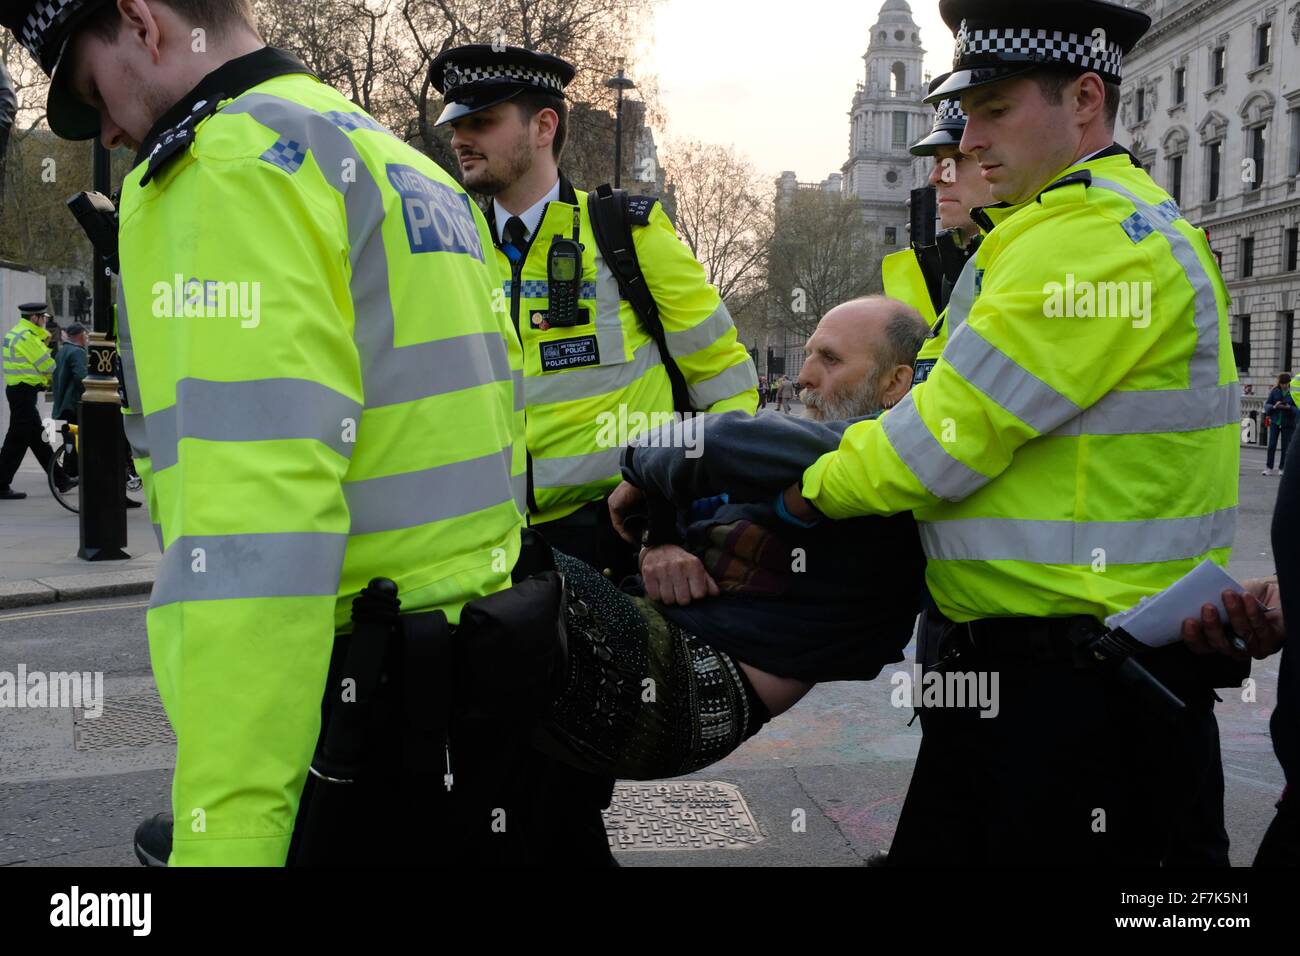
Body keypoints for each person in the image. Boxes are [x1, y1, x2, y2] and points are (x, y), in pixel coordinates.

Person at [1, 0, 526, 866]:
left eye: (92, 89)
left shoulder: (225, 166)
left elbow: (255, 538)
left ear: (141, 20)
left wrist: (230, 840)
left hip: (343, 708)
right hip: (471, 688)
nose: (109, 129)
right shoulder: (395, 160)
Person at [782, 0, 1243, 866]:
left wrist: (789, 484)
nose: (970, 136)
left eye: (995, 109)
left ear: (1084, 100)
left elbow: (936, 445)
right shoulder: (1072, 224)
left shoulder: (1086, 241)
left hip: (1072, 698)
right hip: (1057, 676)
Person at [431, 42, 759, 864]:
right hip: (473, 553)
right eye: (454, 125)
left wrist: (672, 523)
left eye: (480, 122)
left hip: (595, 550)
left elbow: (730, 400)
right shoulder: (441, 242)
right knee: (480, 781)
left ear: (543, 126)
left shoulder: (629, 236)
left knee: (556, 789)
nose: (459, 139)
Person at [562, 295, 928, 779]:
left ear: (895, 382)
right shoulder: (833, 466)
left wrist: (638, 465)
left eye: (831, 359)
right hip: (670, 665)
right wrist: (661, 537)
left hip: (681, 683)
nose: (804, 377)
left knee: (506, 581)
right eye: (810, 355)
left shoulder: (873, 456)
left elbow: (706, 443)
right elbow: (706, 488)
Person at [884, 75, 995, 387]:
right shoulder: (945, 267)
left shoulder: (1027, 261)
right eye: (937, 162)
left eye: (957, 158)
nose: (936, 177)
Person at [1, 301, 75, 499]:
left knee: (38, 439)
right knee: (17, 440)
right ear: (34, 318)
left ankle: (61, 479)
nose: (44, 321)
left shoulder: (17, 333)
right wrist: (47, 342)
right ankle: (1, 484)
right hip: (23, 392)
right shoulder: (27, 337)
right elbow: (48, 366)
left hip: (20, 391)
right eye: (43, 317)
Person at [50, 321, 88, 478]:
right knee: (78, 435)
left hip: (65, 403)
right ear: (79, 335)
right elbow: (81, 377)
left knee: (71, 435)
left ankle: (69, 467)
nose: (86, 338)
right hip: (75, 402)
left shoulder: (63, 351)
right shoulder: (78, 352)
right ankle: (72, 468)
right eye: (85, 335)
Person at [1264, 373, 1296, 476]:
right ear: (1280, 383)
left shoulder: (1294, 392)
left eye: (1286, 383)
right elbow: (1267, 405)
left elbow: (1297, 409)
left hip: (1288, 423)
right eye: (1283, 384)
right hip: (1275, 422)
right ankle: (1269, 467)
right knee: (1272, 445)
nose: (1284, 386)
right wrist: (1274, 406)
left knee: (1285, 447)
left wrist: (1289, 407)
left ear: (1289, 383)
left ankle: (1282, 468)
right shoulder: (1275, 391)